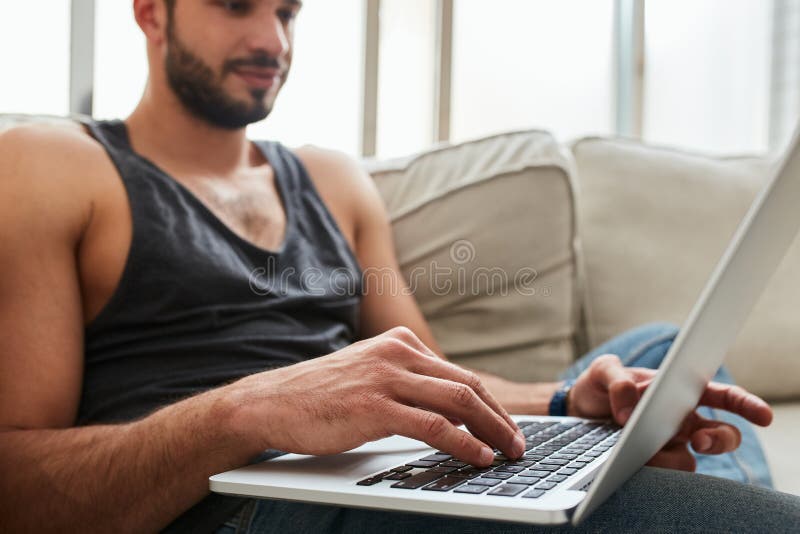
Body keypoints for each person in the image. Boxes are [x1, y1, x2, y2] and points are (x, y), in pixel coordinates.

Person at [0, 1, 797, 532]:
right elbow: (14, 481)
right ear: (151, 11)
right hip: (243, 501)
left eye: (286, 12)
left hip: (378, 469)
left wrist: (567, 397)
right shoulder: (53, 166)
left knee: (659, 355)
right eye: (238, 3)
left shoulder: (332, 181)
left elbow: (429, 373)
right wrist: (242, 412)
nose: (273, 42)